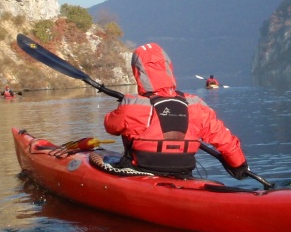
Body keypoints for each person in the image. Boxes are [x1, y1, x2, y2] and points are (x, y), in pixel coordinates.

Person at [104, 42, 248, 180]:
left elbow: (110, 126)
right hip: (183, 170)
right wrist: (238, 164)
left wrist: (122, 107)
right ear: (169, 68)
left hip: (142, 169)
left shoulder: (132, 105)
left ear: (137, 72)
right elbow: (224, 137)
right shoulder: (195, 104)